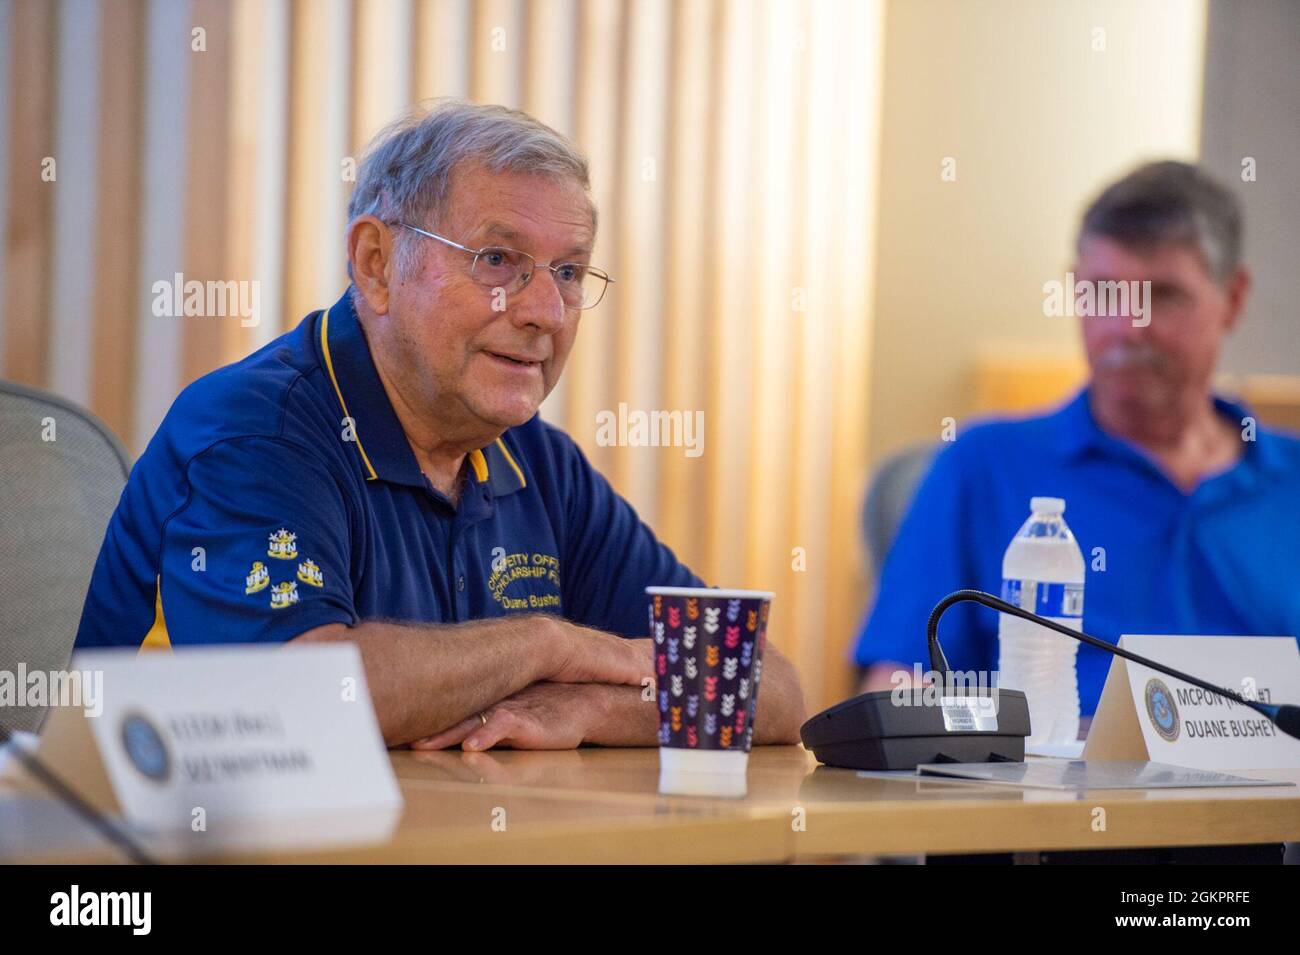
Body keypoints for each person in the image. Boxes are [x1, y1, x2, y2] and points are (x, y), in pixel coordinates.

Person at [76, 101, 806, 750]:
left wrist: (589, 709)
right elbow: (294, 698)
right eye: (498, 260)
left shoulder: (538, 462)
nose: (545, 312)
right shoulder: (253, 432)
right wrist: (544, 645)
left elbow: (768, 685)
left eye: (569, 272)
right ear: (376, 263)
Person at [854, 161, 1300, 716]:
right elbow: (898, 692)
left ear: (1232, 299)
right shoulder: (984, 466)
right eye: (1105, 293)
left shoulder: (1291, 485)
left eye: (1163, 296)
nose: (1128, 327)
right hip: (1043, 795)